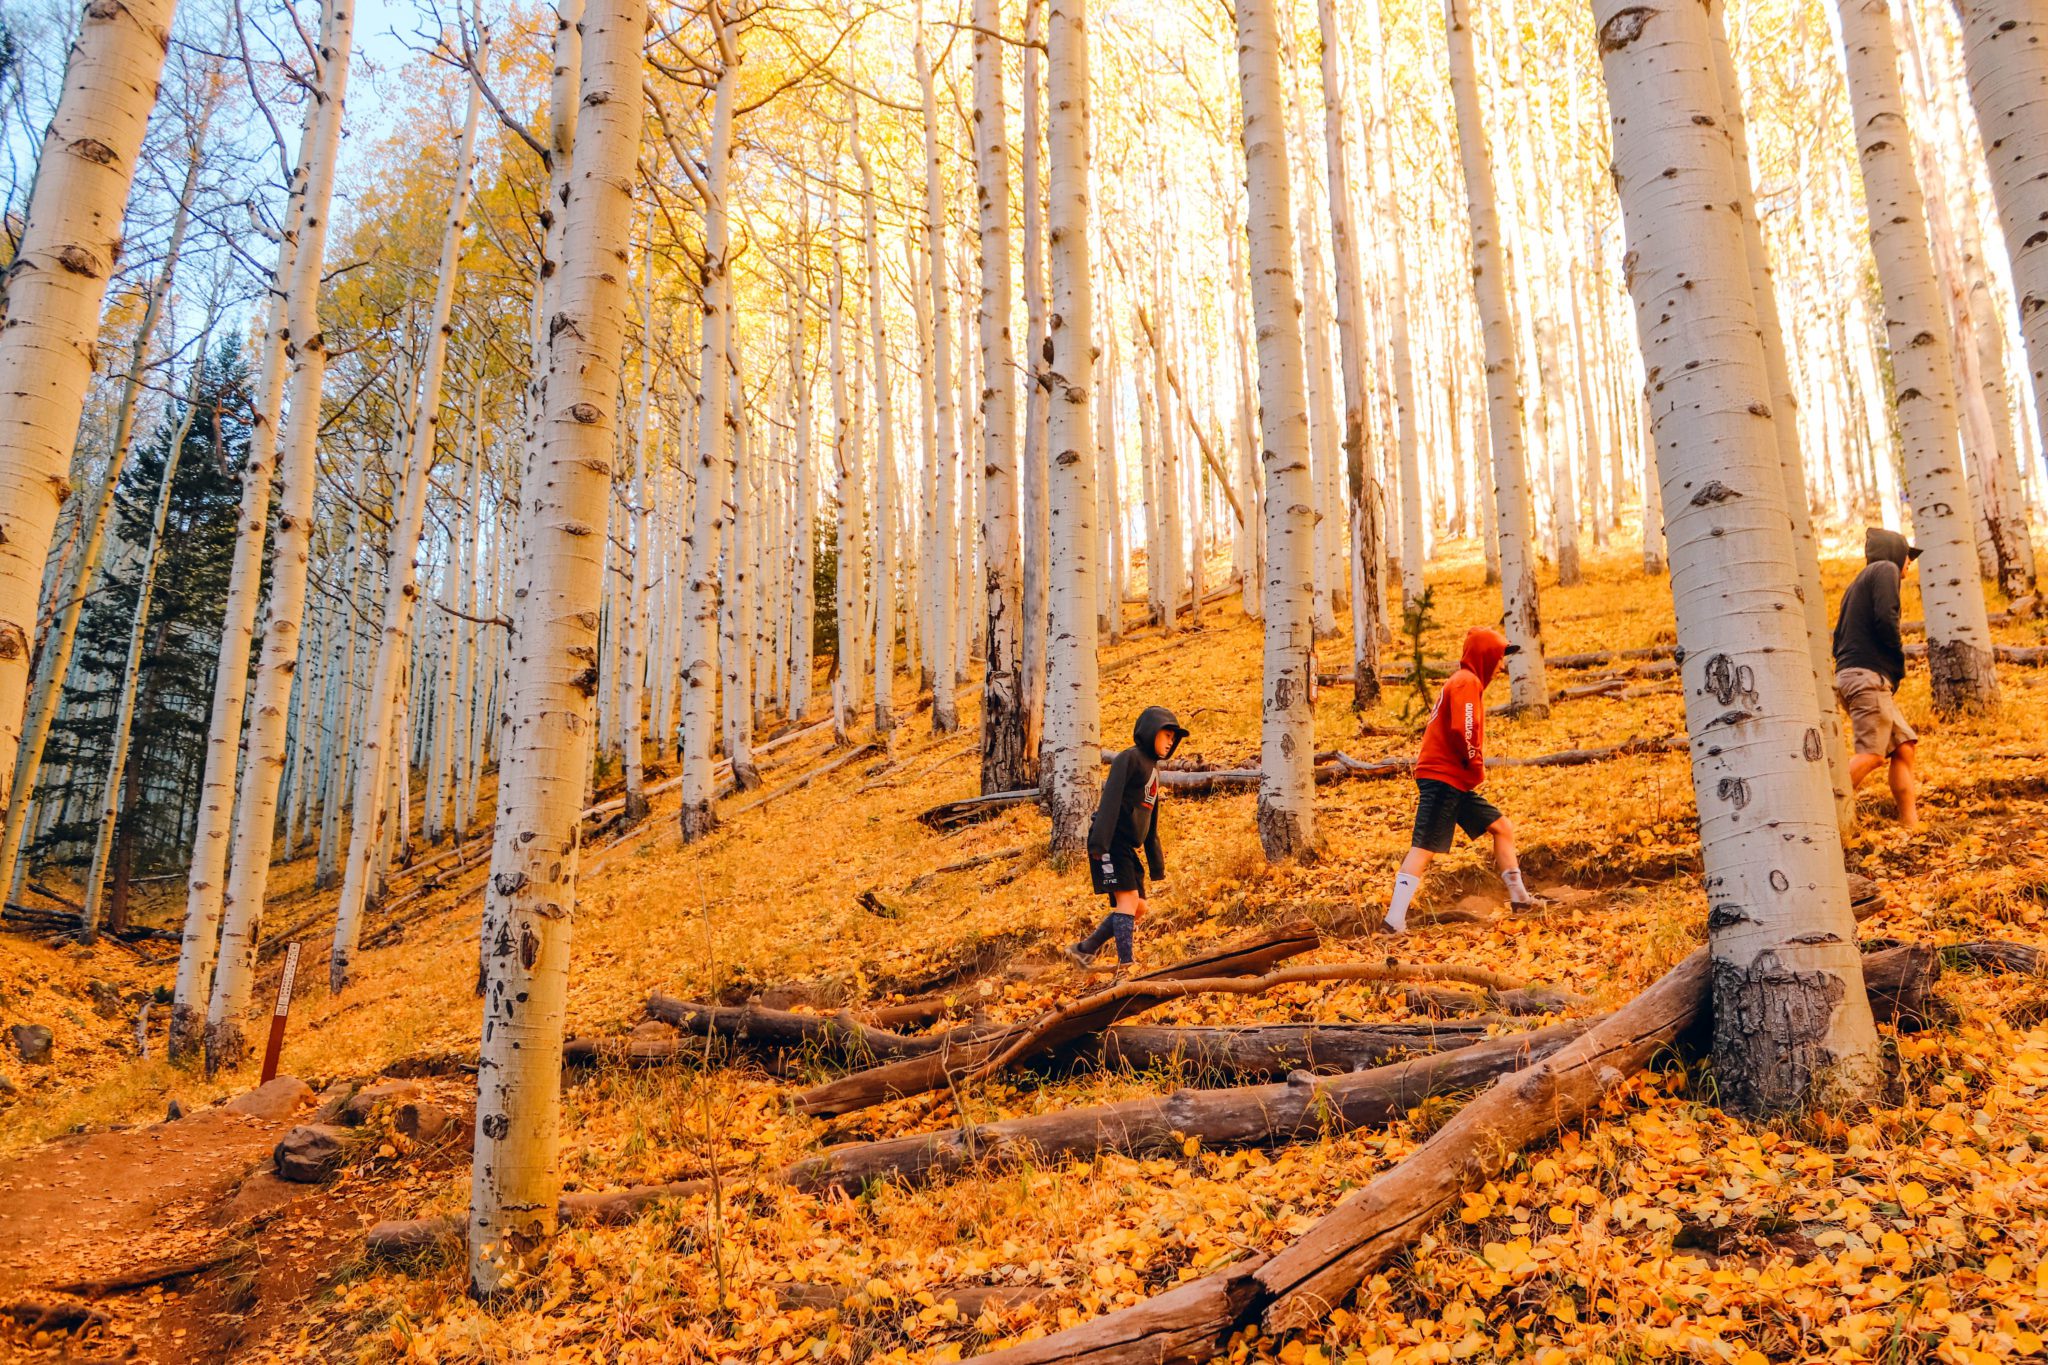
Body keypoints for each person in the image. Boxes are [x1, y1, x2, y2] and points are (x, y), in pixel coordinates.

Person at [1384, 627, 1536, 933]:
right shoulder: (1467, 681)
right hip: (1443, 777)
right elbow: (1463, 729)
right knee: (1424, 847)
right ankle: (1392, 922)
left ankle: (1521, 900)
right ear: (1484, 656)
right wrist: (1475, 762)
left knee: (1502, 827)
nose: (1502, 665)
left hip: (1454, 778)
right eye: (1498, 657)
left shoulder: (1467, 682)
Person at [1066, 706, 1189, 972]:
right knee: (1127, 901)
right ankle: (1127, 966)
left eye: (1173, 737)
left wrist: (1156, 863)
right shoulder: (1129, 759)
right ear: (1151, 731)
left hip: (1127, 847)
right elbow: (1109, 799)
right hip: (1110, 840)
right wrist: (1099, 843)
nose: (1170, 741)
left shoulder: (1154, 771)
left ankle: (1083, 950)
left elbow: (1151, 818)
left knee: (1140, 907)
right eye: (1166, 734)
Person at [1833, 527, 1921, 829]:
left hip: (1855, 675)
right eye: (1908, 556)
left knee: (1903, 746)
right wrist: (1896, 658)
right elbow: (1887, 618)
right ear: (1896, 553)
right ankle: (1821, 818)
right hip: (1867, 677)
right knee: (1871, 755)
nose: (1910, 563)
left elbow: (1838, 636)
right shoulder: (1884, 569)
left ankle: (1911, 826)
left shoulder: (1858, 583)